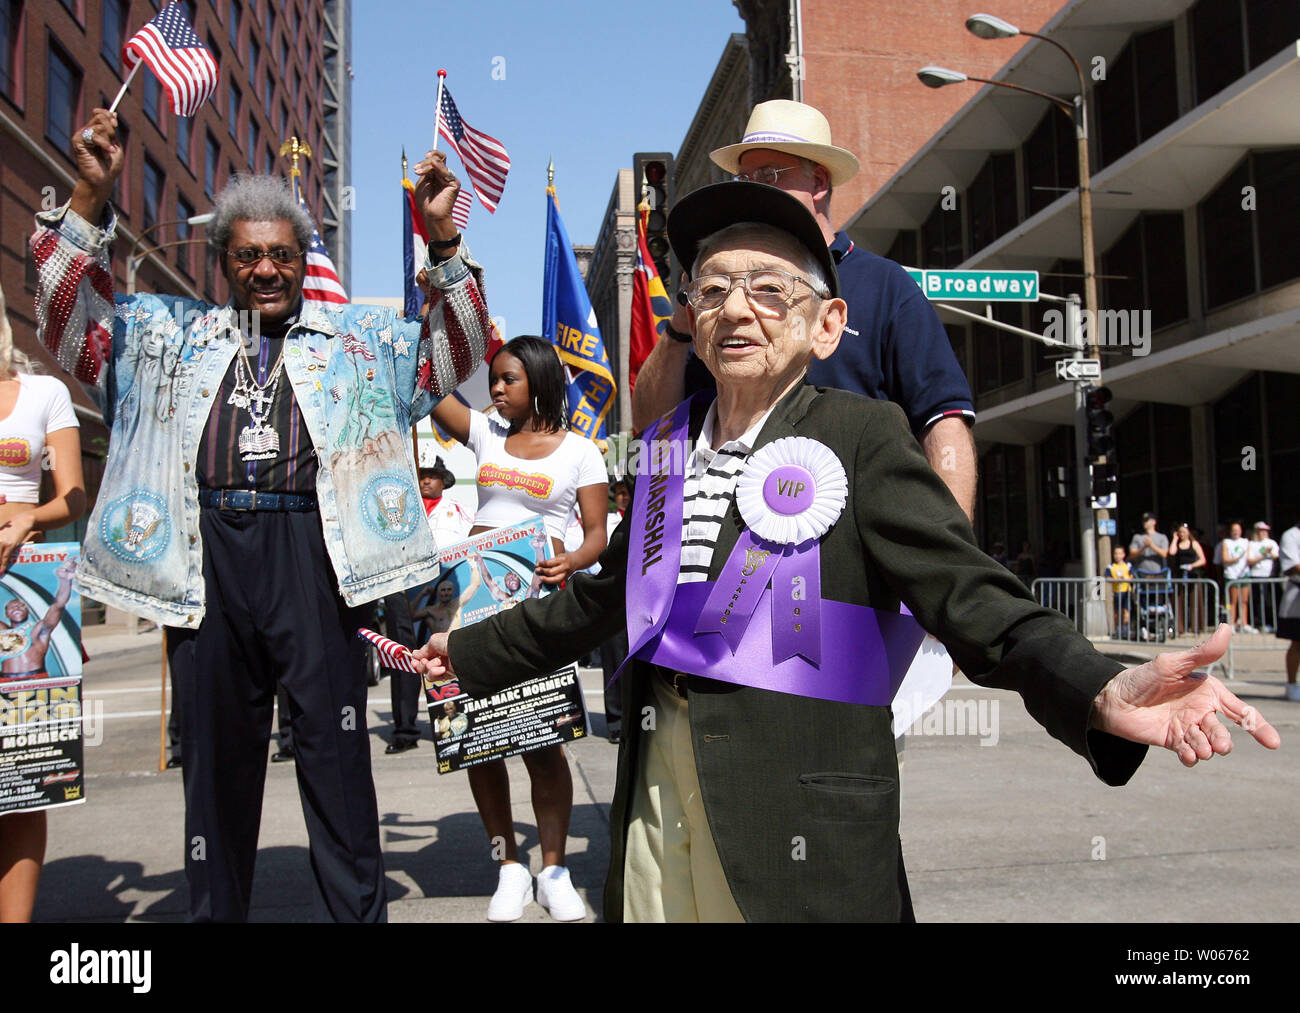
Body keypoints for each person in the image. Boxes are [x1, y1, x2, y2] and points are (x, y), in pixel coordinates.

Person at [412, 181, 1280, 922]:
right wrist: (469, 649)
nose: (734, 308)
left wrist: (1101, 683)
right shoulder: (666, 449)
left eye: (766, 288)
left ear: (827, 325)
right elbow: (607, 602)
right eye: (711, 290)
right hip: (653, 808)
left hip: (802, 825)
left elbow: (973, 598)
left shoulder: (863, 437)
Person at [29, 109, 489, 922]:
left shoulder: (358, 340)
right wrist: (90, 198)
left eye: (283, 253)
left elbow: (454, 351)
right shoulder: (164, 334)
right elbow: (69, 332)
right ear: (223, 264)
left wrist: (442, 243)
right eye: (249, 255)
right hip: (207, 560)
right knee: (216, 771)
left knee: (337, 757)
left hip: (315, 555)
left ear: (303, 260)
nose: (267, 269)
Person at [631, 100, 976, 518]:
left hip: (849, 530)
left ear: (819, 181)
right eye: (743, 177)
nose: (751, 188)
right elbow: (653, 425)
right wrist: (679, 328)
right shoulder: (714, 298)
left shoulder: (885, 285)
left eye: (769, 176)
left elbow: (942, 421)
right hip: (725, 543)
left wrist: (947, 546)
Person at [429, 335, 608, 922]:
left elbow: (596, 534)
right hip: (473, 603)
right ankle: (509, 867)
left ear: (539, 381)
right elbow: (428, 391)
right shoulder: (484, 433)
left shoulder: (582, 452)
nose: (496, 391)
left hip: (539, 609)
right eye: (494, 380)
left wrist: (573, 561)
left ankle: (553, 869)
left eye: (508, 379)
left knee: (543, 741)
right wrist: (440, 309)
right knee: (478, 739)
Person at [0, 283, 86, 923]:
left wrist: (27, 516)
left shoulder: (44, 393)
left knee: (23, 781)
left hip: (21, 588)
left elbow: (72, 497)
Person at [600, 479, 632, 742]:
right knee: (613, 661)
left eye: (626, 493)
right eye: (618, 494)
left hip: (641, 599)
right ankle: (615, 722)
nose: (622, 498)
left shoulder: (650, 514)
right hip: (613, 597)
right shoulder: (608, 520)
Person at [1169, 522, 1207, 635]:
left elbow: (1202, 559)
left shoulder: (1194, 544)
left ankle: (1196, 627)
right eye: (1180, 532)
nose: (1182, 534)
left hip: (1192, 574)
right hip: (1180, 574)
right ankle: (1180, 627)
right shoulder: (1177, 544)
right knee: (1179, 600)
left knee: (1195, 599)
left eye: (1184, 532)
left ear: (1188, 532)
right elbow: (1171, 552)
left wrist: (1192, 566)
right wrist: (1175, 539)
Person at [1277, 519, 1300, 702]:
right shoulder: (1291, 535)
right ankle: (1292, 684)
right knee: (1297, 642)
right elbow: (1293, 565)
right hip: (1297, 596)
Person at [1247, 521, 1279, 633]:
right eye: (1262, 530)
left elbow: (1276, 556)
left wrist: (1269, 553)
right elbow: (1250, 560)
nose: (1264, 532)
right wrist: (1264, 554)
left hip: (1269, 576)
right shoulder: (1251, 544)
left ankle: (1270, 622)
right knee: (1257, 601)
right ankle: (1260, 623)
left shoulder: (1272, 543)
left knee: (1268, 600)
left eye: (1266, 530)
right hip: (1256, 575)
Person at [1221, 521, 1253, 632]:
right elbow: (1225, 558)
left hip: (1244, 574)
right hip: (1231, 574)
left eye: (1238, 530)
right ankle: (1232, 624)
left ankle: (1244, 623)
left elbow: (1248, 558)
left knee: (1244, 601)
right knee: (1232, 601)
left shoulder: (1245, 542)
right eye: (1234, 530)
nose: (1236, 532)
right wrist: (1237, 558)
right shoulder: (1226, 542)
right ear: (1230, 532)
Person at [1107, 545, 1133, 639]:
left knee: (1126, 611)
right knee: (1116, 612)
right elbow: (1107, 577)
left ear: (1123, 554)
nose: (1117, 555)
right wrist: (1115, 579)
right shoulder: (1111, 566)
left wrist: (1124, 578)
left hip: (1126, 591)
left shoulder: (1128, 565)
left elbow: (1131, 577)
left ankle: (1125, 631)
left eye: (1119, 553)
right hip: (1116, 592)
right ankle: (1118, 631)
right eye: (1115, 553)